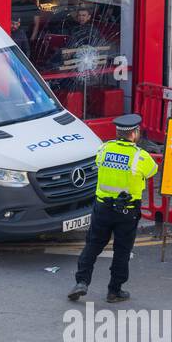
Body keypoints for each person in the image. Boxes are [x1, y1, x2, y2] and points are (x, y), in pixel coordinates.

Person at [68, 114, 158, 304]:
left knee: (93, 245)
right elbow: (152, 171)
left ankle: (81, 282)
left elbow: (99, 164)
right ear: (134, 134)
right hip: (127, 210)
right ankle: (114, 291)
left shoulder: (104, 149)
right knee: (122, 251)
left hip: (102, 207)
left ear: (118, 133)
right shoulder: (140, 156)